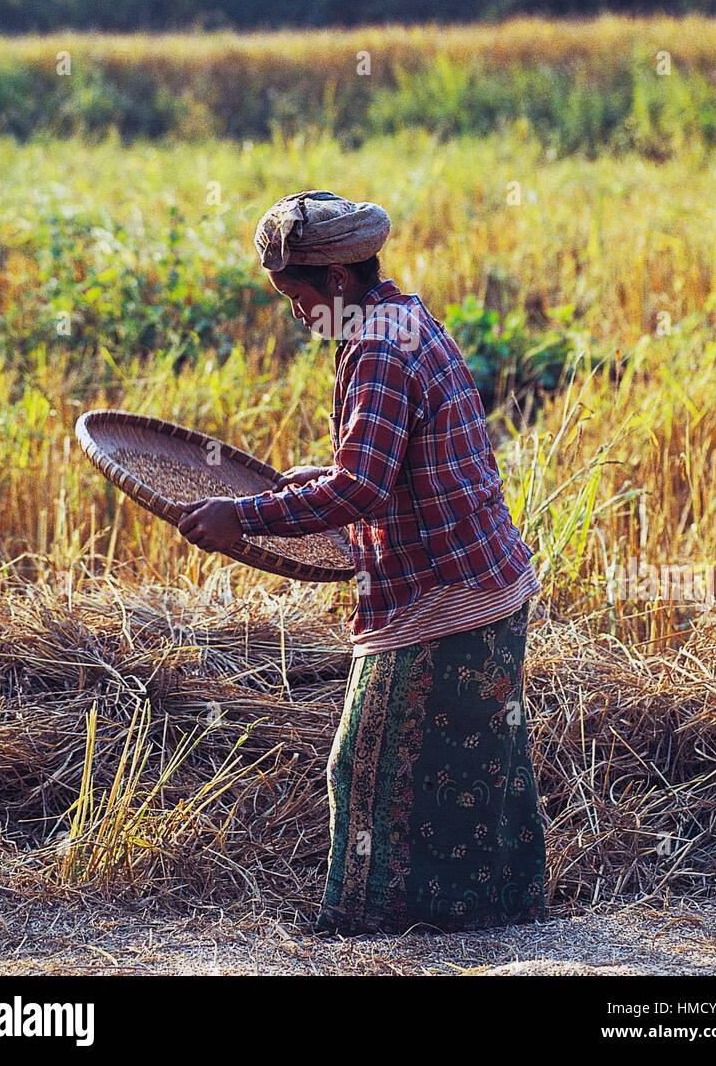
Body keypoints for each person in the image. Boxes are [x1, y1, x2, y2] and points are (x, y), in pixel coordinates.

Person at [178, 190, 545, 933]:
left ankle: (373, 929)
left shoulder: (375, 349)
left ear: (337, 282)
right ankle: (492, 918)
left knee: (369, 768)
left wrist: (241, 519)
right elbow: (383, 468)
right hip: (482, 580)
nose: (295, 314)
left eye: (295, 296)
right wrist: (313, 483)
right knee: (476, 766)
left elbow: (361, 488)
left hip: (443, 598)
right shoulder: (402, 319)